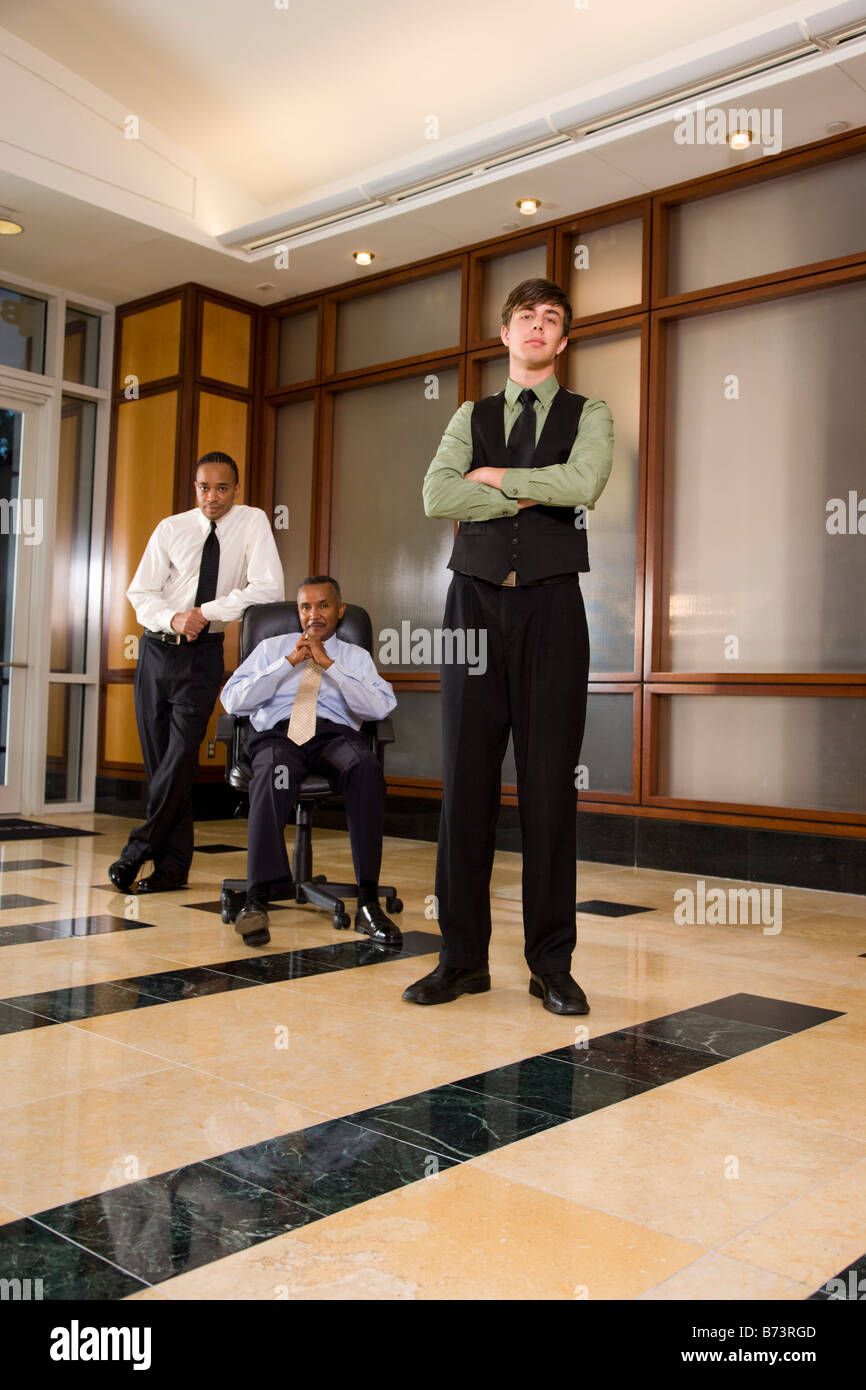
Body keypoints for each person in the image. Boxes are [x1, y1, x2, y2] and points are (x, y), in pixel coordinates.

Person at [403, 278, 614, 1015]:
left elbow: (585, 482)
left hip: (554, 607)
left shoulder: (591, 413)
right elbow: (437, 495)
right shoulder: (472, 413)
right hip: (473, 605)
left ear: (563, 340)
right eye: (526, 315)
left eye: (551, 318)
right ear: (505, 333)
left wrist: (495, 479)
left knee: (550, 787)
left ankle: (551, 965)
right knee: (466, 782)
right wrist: (535, 489)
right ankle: (461, 960)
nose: (538, 326)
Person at [109, 451, 284, 893]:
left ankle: (138, 848)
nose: (212, 497)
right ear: (196, 487)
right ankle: (171, 870)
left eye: (222, 488)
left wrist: (205, 612)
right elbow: (141, 592)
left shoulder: (252, 522)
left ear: (236, 489)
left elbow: (268, 588)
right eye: (204, 488)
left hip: (202, 654)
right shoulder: (171, 528)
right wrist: (174, 618)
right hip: (156, 650)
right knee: (163, 765)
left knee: (180, 757)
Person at [220, 575, 401, 948]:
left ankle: (368, 903)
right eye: (306, 606)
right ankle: (257, 901)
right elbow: (233, 700)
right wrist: (287, 663)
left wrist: (330, 666)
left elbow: (380, 707)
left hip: (333, 738)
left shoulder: (354, 657)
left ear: (340, 610)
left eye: (323, 605)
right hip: (281, 738)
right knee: (275, 773)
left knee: (365, 769)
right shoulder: (271, 648)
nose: (313, 614)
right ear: (298, 611)